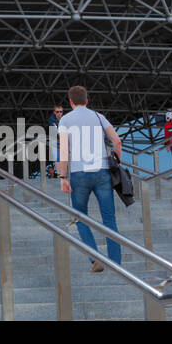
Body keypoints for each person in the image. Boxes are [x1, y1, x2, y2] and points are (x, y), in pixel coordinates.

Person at [57, 84, 123, 273]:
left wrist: (63, 176)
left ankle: (94, 259)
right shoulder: (98, 117)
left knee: (80, 216)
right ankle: (116, 263)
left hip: (79, 174)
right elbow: (117, 141)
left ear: (70, 102)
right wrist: (117, 161)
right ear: (87, 100)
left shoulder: (65, 121)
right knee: (109, 218)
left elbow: (63, 151)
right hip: (102, 172)